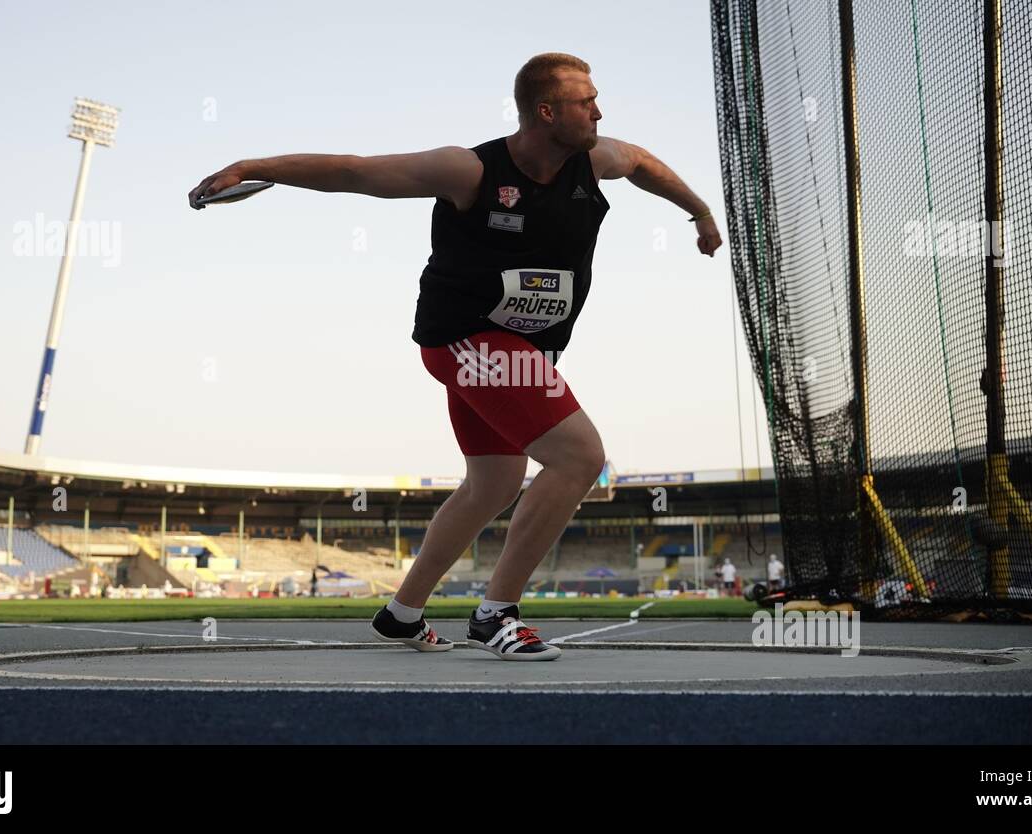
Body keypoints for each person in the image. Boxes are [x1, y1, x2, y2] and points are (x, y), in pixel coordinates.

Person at [189, 53, 721, 660]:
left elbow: (644, 161)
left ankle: (402, 611)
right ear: (547, 112)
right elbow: (356, 171)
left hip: (521, 346)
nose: (598, 111)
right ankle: (497, 613)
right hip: (466, 340)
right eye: (586, 102)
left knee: (494, 482)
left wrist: (698, 211)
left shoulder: (593, 161)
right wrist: (256, 167)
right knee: (580, 457)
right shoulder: (468, 170)